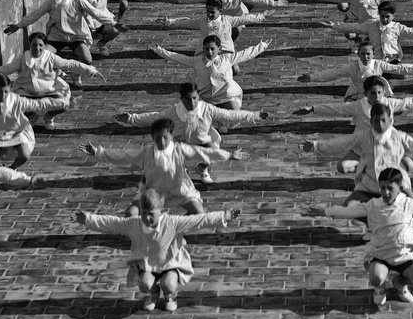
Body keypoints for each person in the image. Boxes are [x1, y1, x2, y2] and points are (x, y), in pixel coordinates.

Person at [304, 167, 413, 307]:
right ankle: (380, 289)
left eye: (390, 188)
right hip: (380, 253)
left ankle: (400, 283)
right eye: (382, 188)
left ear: (400, 187)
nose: (386, 192)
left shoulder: (407, 203)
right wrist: (325, 211)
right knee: (376, 278)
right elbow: (348, 212)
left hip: (404, 254)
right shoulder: (372, 205)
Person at [73, 187, 238, 311]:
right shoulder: (134, 224)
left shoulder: (171, 223)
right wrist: (87, 219)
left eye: (151, 213)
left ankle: (169, 296)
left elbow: (199, 220)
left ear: (162, 211)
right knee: (144, 283)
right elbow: (110, 223)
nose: (147, 217)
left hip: (169, 264)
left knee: (169, 284)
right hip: (148, 265)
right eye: (144, 212)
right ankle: (153, 293)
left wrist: (223, 216)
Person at [300, 102, 413, 206]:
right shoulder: (362, 136)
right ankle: (372, 229)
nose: (379, 125)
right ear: (371, 121)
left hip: (395, 179)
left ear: (390, 120)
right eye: (376, 121)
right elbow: (341, 143)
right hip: (369, 181)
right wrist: (316, 146)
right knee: (351, 207)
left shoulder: (398, 136)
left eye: (383, 121)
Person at [116, 83, 264, 183]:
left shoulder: (207, 109)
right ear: (181, 99)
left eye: (195, 98)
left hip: (202, 139)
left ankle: (202, 168)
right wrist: (131, 118)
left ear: (199, 97)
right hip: (180, 142)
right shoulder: (174, 112)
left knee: (215, 152)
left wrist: (253, 116)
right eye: (188, 99)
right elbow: (154, 118)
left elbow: (229, 115)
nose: (192, 103)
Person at [82, 118, 230, 215]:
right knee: (131, 214)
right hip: (152, 192)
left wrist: (229, 155)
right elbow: (125, 156)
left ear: (171, 136)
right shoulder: (147, 151)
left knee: (199, 214)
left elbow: (203, 152)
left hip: (180, 192)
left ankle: (173, 229)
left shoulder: (180, 149)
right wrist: (98, 153)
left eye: (165, 138)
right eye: (158, 138)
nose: (162, 142)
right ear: (153, 138)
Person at [0, 31, 100, 126]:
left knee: (65, 103)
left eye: (40, 45)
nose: (37, 48)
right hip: (26, 91)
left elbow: (69, 64)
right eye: (34, 45)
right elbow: (7, 69)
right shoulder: (23, 58)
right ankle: (31, 115)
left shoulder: (50, 57)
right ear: (30, 45)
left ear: (44, 46)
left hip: (49, 90)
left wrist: (91, 70)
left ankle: (49, 117)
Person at [6, 0, 117, 68]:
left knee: (87, 60)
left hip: (75, 36)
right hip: (57, 37)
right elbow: (36, 14)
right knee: (41, 57)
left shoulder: (79, 0)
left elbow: (95, 12)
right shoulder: (52, 0)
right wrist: (19, 25)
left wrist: (114, 23)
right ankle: (54, 72)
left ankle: (75, 73)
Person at [149, 35, 272, 109]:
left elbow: (245, 54)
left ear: (220, 49)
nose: (210, 52)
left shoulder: (227, 59)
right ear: (203, 49)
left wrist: (262, 46)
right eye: (206, 49)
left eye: (213, 49)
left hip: (226, 96)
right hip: (206, 98)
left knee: (234, 113)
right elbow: (177, 57)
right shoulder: (196, 61)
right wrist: (160, 51)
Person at [296, 42, 413, 100]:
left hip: (378, 94)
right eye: (363, 54)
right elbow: (333, 73)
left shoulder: (379, 64)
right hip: (358, 94)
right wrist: (312, 77)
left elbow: (399, 68)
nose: (366, 57)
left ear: (373, 55)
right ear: (358, 55)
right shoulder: (353, 67)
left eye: (368, 54)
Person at [326, 1, 413, 64]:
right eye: (382, 16)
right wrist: (335, 26)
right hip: (377, 60)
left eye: (387, 17)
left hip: (393, 60)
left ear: (393, 16)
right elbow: (355, 27)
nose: (384, 19)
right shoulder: (371, 25)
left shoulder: (398, 27)